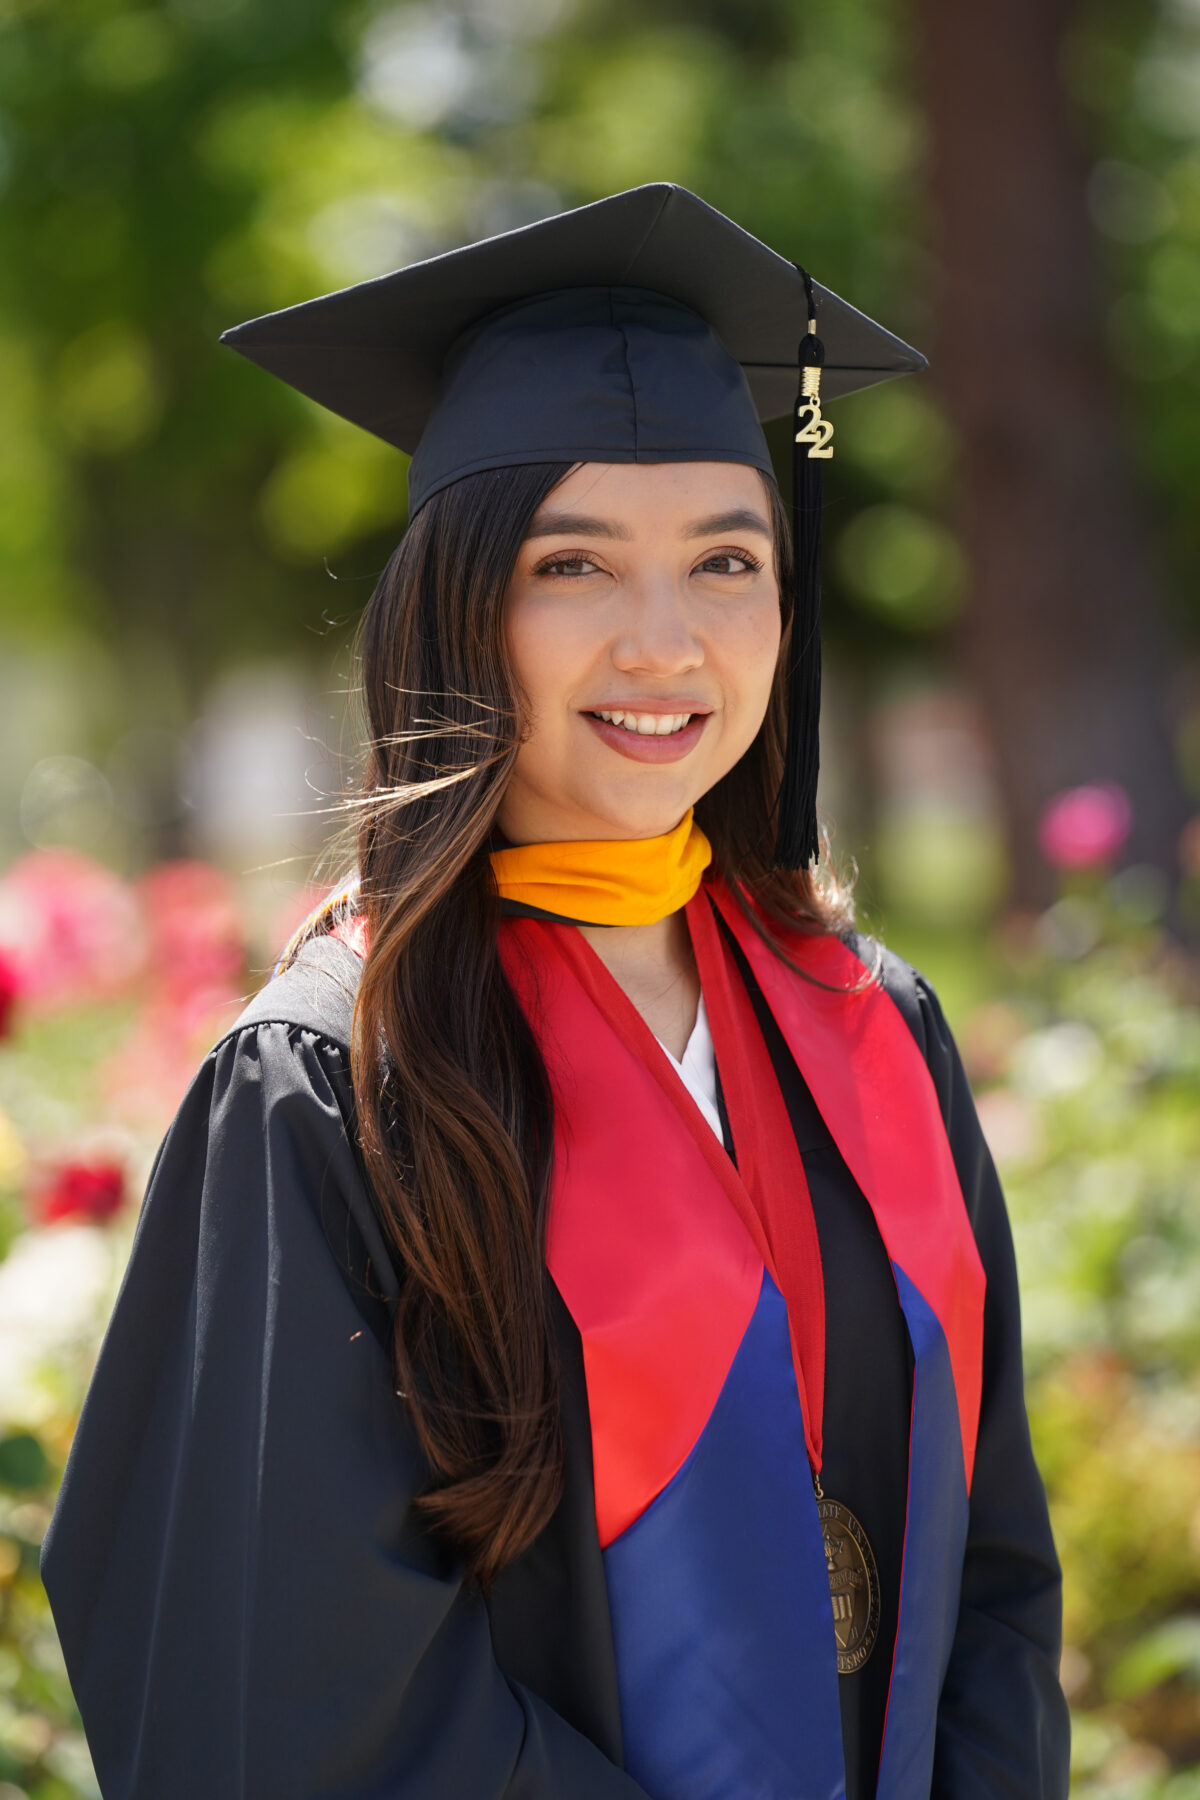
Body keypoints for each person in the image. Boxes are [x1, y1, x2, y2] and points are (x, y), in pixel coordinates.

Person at [42, 184, 1070, 1800]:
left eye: (726, 560)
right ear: (458, 611)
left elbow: (995, 1566)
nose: (665, 642)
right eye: (573, 564)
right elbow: (292, 1702)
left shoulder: (871, 1027)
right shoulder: (333, 1083)